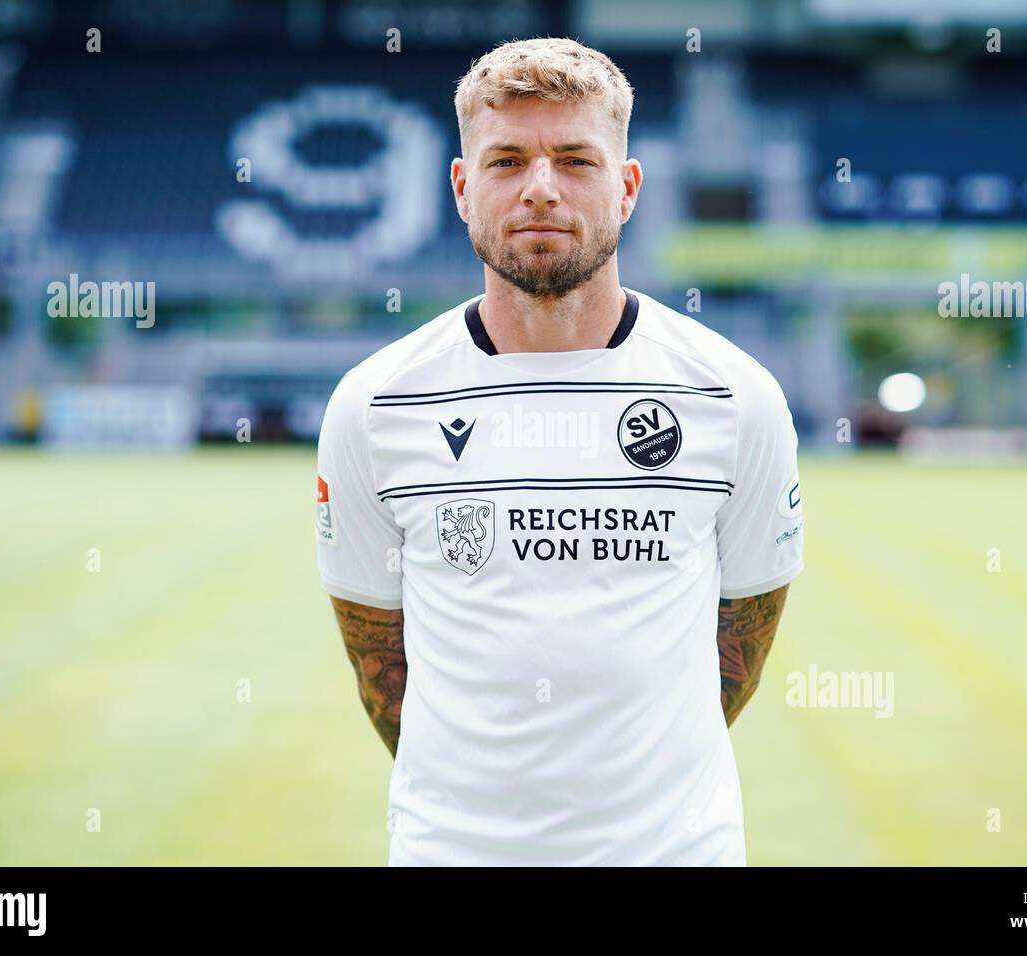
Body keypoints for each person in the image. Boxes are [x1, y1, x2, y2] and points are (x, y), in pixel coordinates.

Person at [316, 36, 803, 865]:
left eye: (575, 159)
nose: (540, 189)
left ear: (627, 186)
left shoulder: (733, 395)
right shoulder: (375, 404)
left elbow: (741, 650)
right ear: (465, 190)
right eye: (506, 161)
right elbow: (380, 663)